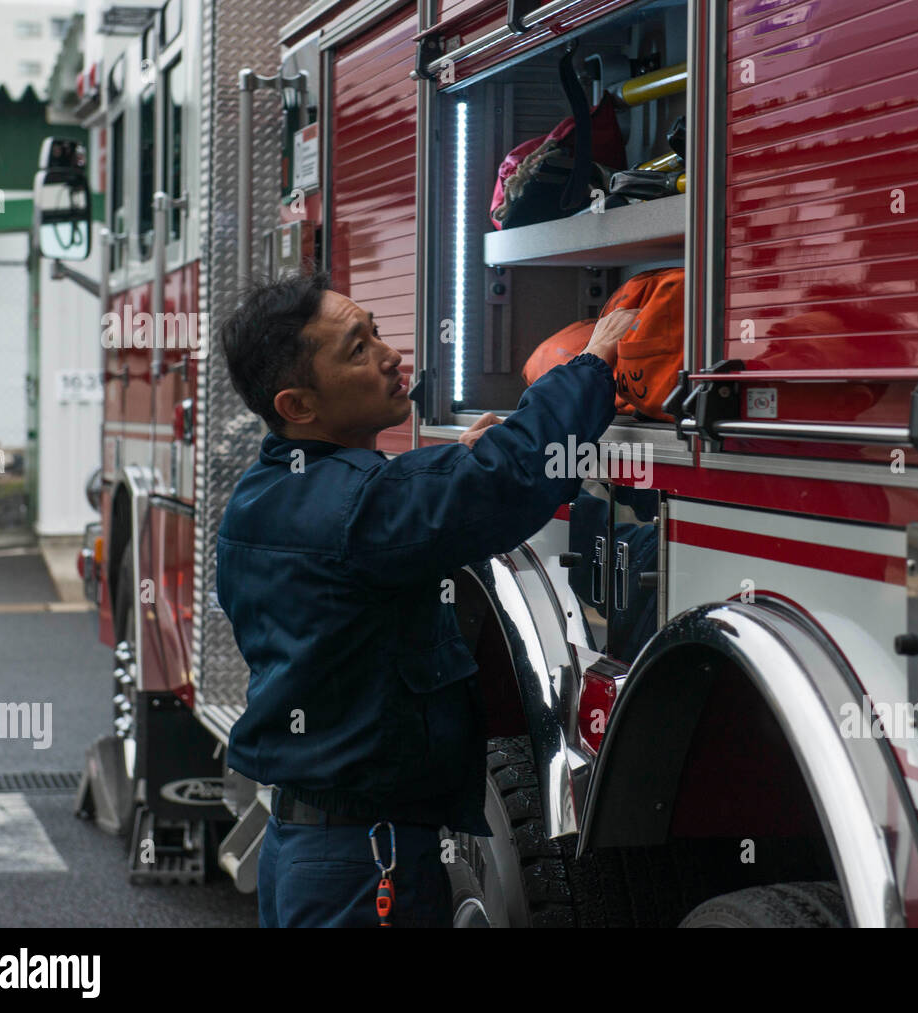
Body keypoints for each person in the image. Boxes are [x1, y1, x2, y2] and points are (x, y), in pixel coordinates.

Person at [215, 268, 633, 927]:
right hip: (364, 863)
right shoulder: (366, 511)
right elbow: (509, 482)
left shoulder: (261, 497)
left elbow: (372, 508)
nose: (390, 354)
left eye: (376, 333)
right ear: (298, 405)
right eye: (357, 349)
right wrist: (591, 364)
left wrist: (452, 466)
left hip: (312, 848)